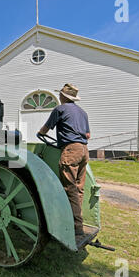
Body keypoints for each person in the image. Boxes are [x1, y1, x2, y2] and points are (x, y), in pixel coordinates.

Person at [38, 83, 91, 239]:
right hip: (84, 150)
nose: (59, 97)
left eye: (60, 95)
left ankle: (75, 226)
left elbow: (46, 129)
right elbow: (88, 135)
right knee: (79, 188)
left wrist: (40, 132)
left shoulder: (60, 109)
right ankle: (76, 219)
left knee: (69, 188)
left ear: (63, 97)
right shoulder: (83, 113)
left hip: (70, 151)